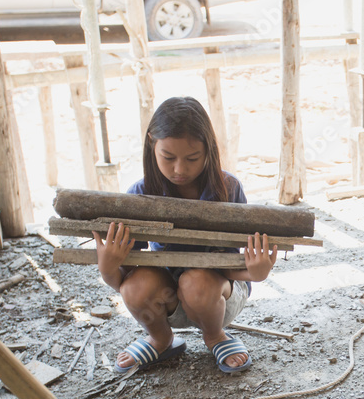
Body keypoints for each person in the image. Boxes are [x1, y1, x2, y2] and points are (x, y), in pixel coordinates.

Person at [93, 97, 277, 375]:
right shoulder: (139, 195)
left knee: (196, 281)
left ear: (209, 151)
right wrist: (107, 268)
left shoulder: (228, 189)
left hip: (218, 295)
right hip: (168, 300)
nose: (180, 169)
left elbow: (235, 266)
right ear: (151, 145)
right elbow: (122, 283)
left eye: (192, 158)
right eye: (168, 157)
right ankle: (160, 337)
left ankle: (215, 336)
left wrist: (256, 274)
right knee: (135, 286)